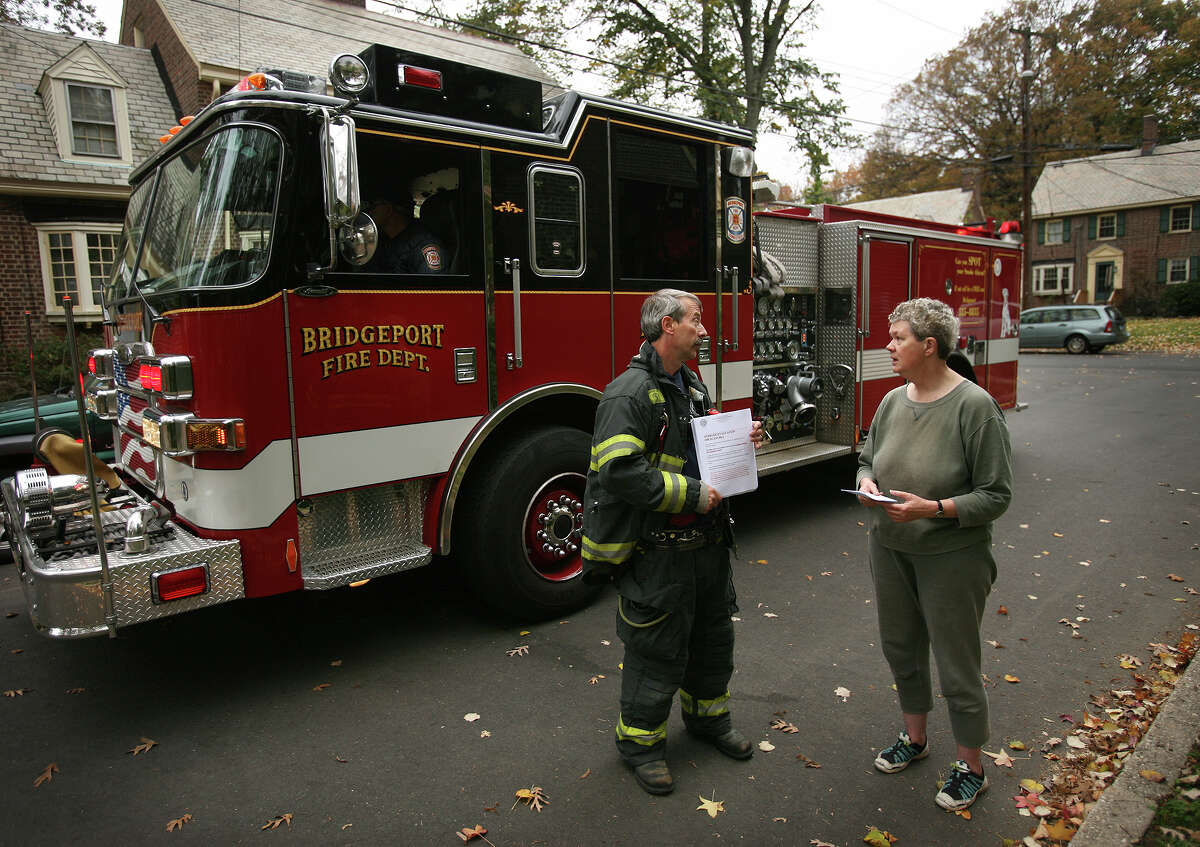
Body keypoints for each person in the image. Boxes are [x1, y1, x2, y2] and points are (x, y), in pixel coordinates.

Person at [582, 288, 765, 796]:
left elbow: (697, 443)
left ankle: (709, 722)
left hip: (704, 550)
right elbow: (619, 472)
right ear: (667, 326)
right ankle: (641, 746)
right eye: (696, 320)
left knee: (712, 642)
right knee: (656, 651)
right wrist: (691, 494)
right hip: (658, 554)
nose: (705, 330)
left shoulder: (691, 385)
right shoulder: (628, 394)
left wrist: (739, 438)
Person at [855, 297, 1012, 812]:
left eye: (897, 337)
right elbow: (865, 457)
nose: (888, 345)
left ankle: (972, 766)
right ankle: (915, 739)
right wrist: (866, 481)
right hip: (890, 548)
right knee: (901, 648)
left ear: (929, 345)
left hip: (952, 556)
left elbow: (996, 494)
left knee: (956, 663)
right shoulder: (892, 401)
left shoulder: (974, 407)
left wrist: (934, 508)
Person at [365, 196, 445, 274]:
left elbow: (432, 284)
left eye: (373, 206)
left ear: (388, 209)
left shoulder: (424, 244)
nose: (369, 212)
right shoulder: (381, 242)